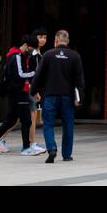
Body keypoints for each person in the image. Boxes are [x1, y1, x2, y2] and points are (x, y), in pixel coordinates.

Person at [31, 29, 84, 164]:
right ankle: (67, 155)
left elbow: (39, 76)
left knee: (48, 124)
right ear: (68, 41)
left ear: (55, 40)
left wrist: (33, 91)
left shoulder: (48, 55)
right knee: (68, 125)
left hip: (50, 96)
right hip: (67, 96)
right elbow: (80, 80)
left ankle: (52, 148)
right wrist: (80, 98)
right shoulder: (75, 56)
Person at [0, 37, 36, 155]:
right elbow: (19, 74)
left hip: (16, 91)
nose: (31, 52)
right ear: (26, 45)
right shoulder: (16, 56)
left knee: (11, 120)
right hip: (17, 92)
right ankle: (26, 148)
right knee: (26, 120)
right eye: (31, 49)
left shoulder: (19, 56)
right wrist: (34, 73)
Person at [24, 29, 47, 155]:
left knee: (18, 117)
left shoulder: (38, 53)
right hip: (29, 88)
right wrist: (35, 89)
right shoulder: (33, 54)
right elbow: (33, 73)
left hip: (32, 88)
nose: (42, 39)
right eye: (40, 37)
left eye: (44, 37)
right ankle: (32, 143)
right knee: (31, 115)